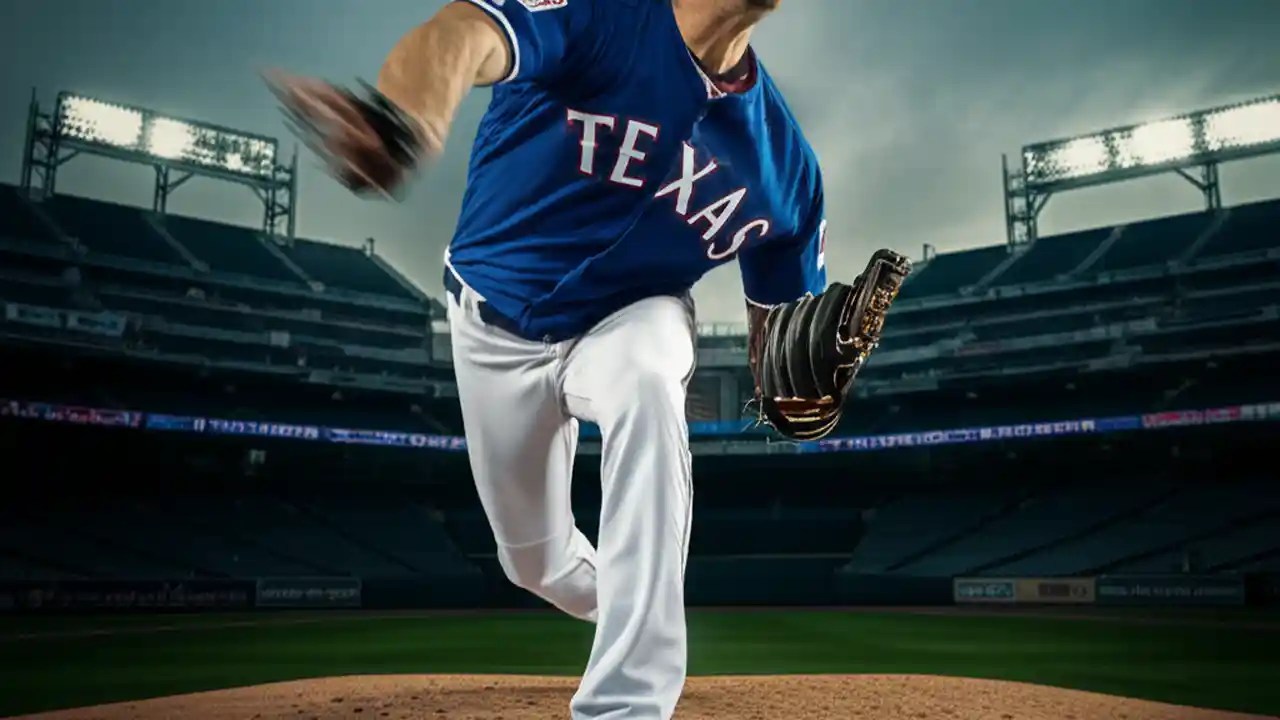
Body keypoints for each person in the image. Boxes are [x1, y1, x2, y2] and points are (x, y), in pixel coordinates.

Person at [266, 1, 909, 717]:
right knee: (535, 564)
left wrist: (805, 388)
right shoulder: (596, 13)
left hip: (634, 316)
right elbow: (462, 34)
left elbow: (779, 354)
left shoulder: (788, 170)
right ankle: (626, 596)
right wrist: (403, 119)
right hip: (495, 326)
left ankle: (628, 704)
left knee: (647, 378)